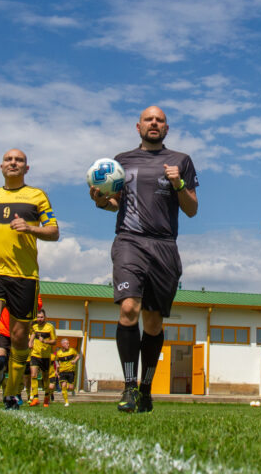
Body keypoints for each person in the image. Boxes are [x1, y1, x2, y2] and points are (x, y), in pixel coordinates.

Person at [90, 106, 199, 414]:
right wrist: (100, 198)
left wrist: (178, 183)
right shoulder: (120, 162)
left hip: (164, 246)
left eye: (160, 120)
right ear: (137, 126)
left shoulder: (181, 161)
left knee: (153, 322)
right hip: (129, 241)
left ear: (166, 127)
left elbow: (191, 209)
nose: (154, 123)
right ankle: (128, 388)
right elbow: (112, 204)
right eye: (149, 119)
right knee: (128, 307)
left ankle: (146, 389)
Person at [0, 148, 59, 410]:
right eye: (9, 159)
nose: (13, 163)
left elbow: (53, 231)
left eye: (19, 160)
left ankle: (11, 391)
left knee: (20, 338)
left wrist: (30, 228)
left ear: (26, 168)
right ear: (1, 167)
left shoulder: (37, 195)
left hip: (24, 275)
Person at [28, 308, 56, 407]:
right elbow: (32, 334)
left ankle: (46, 397)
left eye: (41, 317)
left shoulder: (50, 327)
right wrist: (30, 342)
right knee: (33, 375)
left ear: (45, 317)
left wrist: (45, 341)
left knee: (45, 377)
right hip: (35, 354)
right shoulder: (34, 327)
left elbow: (54, 341)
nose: (40, 319)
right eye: (38, 317)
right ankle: (35, 398)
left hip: (45, 356)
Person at [55, 339, 80, 406]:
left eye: (68, 343)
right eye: (67, 343)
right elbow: (56, 360)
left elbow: (78, 355)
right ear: (63, 344)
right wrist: (57, 365)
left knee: (70, 388)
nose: (68, 345)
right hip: (62, 371)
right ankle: (66, 402)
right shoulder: (58, 353)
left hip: (71, 371)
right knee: (63, 386)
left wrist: (75, 360)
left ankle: (72, 388)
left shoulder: (72, 350)